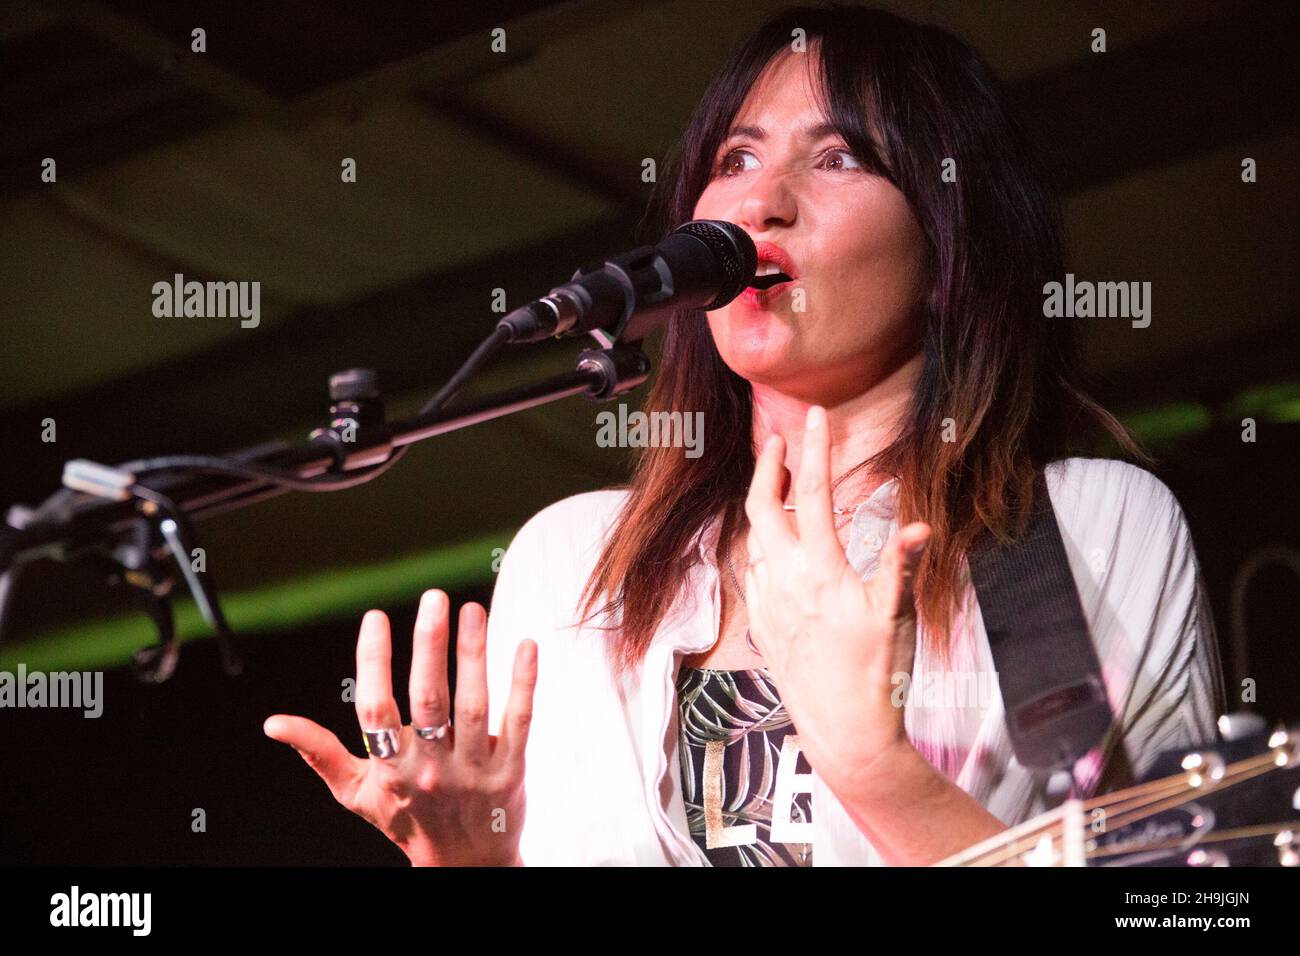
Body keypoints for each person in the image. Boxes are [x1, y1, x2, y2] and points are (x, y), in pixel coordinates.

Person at [263, 4, 1225, 867]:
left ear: (947, 243)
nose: (759, 202)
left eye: (839, 156)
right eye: (735, 159)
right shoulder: (570, 565)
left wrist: (874, 769)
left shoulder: (1078, 527)